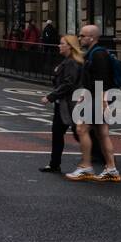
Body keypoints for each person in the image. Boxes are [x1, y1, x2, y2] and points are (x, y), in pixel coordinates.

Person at [66, 23, 121, 183]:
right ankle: (111, 169)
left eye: (83, 35)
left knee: (82, 128)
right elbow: (91, 80)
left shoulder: (98, 55)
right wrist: (83, 96)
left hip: (98, 98)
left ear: (92, 37)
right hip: (95, 97)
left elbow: (102, 81)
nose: (80, 38)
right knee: (102, 134)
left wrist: (104, 103)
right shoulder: (91, 53)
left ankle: (86, 167)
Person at [42, 34, 86, 173]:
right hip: (64, 103)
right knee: (59, 133)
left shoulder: (71, 62)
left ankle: (101, 157)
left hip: (69, 104)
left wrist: (51, 96)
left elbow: (68, 83)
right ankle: (54, 164)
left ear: (70, 46)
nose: (58, 46)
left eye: (62, 43)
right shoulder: (68, 61)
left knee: (78, 133)